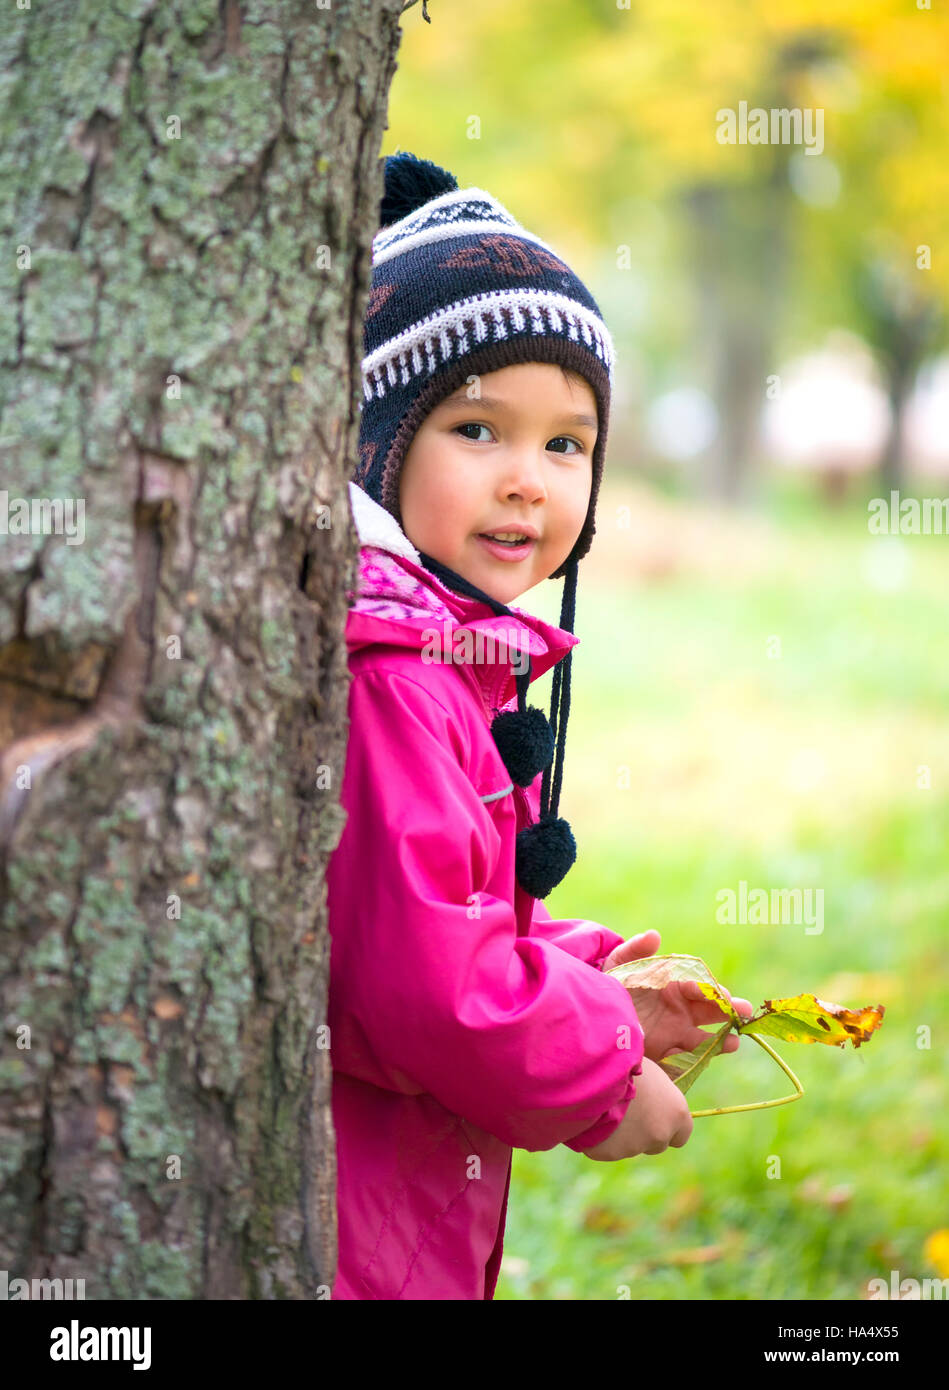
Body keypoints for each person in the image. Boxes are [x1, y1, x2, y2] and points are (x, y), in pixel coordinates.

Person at [326, 153, 752, 1300]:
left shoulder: (446, 658)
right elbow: (423, 981)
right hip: (346, 1224)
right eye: (478, 429)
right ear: (374, 445)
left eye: (566, 444)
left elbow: (455, 907)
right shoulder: (394, 676)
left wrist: (604, 982)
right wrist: (603, 1078)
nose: (529, 482)